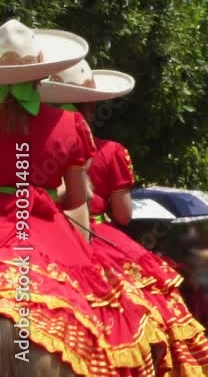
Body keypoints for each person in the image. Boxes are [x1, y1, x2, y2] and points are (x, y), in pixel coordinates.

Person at [38, 58, 208, 377]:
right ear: (93, 103)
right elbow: (124, 215)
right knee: (156, 305)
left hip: (29, 228)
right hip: (91, 232)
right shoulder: (111, 151)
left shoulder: (33, 136)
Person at [0, 19, 160, 375]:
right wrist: (39, 189)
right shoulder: (69, 125)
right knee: (107, 315)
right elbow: (75, 199)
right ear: (41, 76)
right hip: (45, 230)